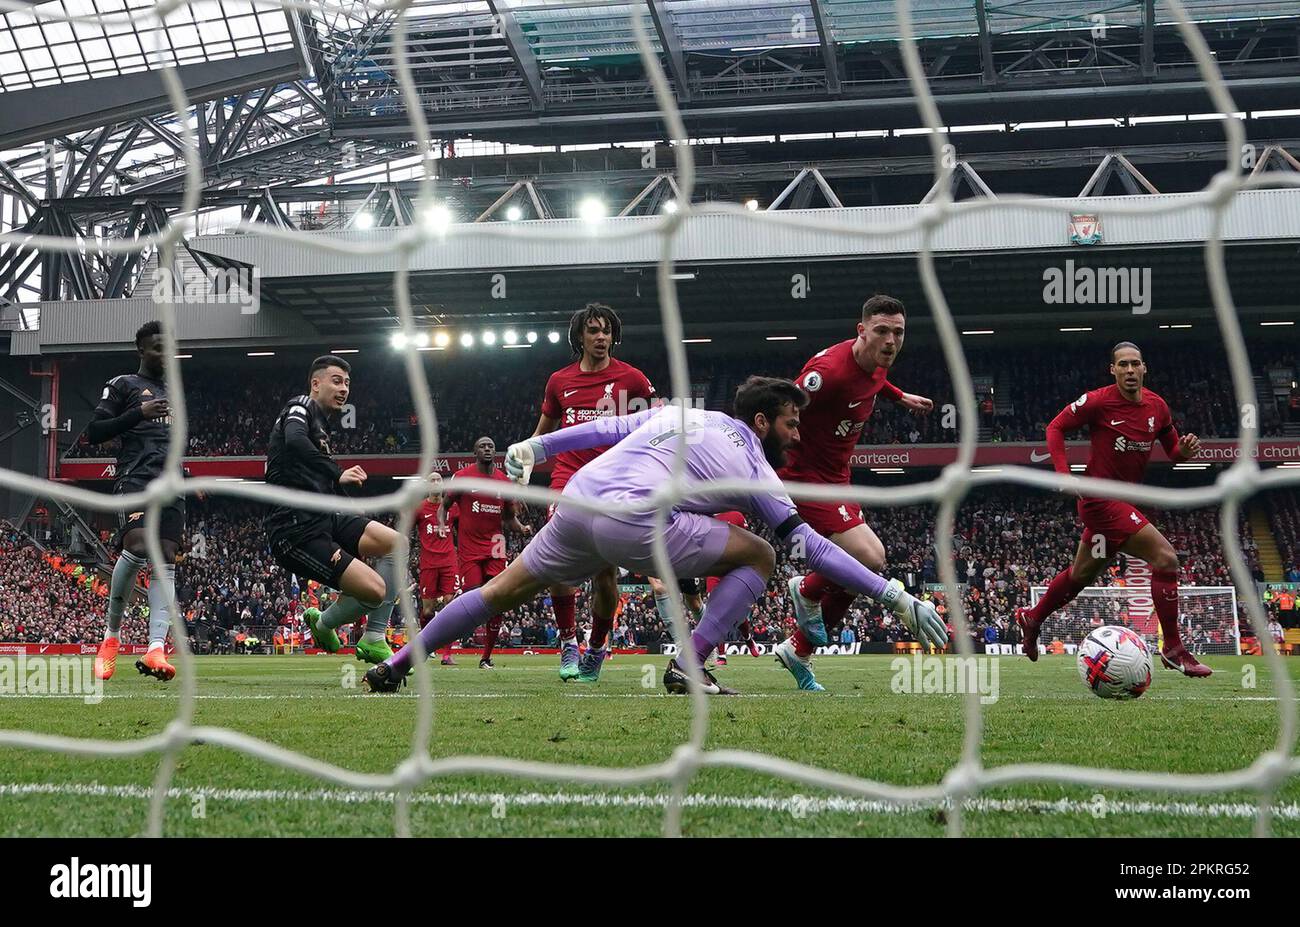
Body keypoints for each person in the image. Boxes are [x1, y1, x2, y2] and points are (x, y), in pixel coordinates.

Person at [365, 376, 947, 694]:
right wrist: (893, 594)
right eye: (792, 424)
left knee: (498, 595)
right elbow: (810, 547)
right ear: (762, 422)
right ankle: (689, 664)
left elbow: (609, 425)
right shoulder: (756, 465)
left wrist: (539, 446)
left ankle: (395, 667)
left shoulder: (678, 412)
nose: (796, 438)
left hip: (577, 501)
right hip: (633, 519)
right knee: (764, 555)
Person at [1015, 342, 1210, 677]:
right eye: (1123, 365)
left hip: (1123, 500)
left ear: (1144, 368)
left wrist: (1186, 451)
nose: (1130, 370)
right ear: (1113, 370)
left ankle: (1033, 618)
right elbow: (1055, 428)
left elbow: (1173, 452)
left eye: (1135, 364)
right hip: (1099, 499)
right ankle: (1174, 649)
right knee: (1166, 559)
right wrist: (1064, 473)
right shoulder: (1098, 401)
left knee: (1079, 577)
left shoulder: (1157, 407)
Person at [775, 295, 934, 690]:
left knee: (863, 565)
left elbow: (875, 381)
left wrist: (900, 397)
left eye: (898, 333)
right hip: (805, 476)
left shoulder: (877, 362)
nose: (891, 341)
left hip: (837, 475)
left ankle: (799, 650)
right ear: (860, 331)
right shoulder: (827, 373)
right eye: (881, 331)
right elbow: (784, 408)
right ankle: (807, 589)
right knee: (870, 557)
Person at [531, 303, 656, 679]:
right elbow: (544, 431)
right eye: (593, 331)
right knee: (557, 563)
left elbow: (656, 423)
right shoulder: (559, 381)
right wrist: (523, 455)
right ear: (580, 337)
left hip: (612, 482)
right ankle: (568, 644)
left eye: (606, 331)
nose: (600, 337)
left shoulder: (632, 379)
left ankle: (598, 647)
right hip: (566, 479)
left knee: (605, 577)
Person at [263, 355, 403, 665]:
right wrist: (336, 471)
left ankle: (374, 637)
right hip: (294, 529)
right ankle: (324, 622)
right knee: (374, 591)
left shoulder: (323, 426)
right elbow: (295, 441)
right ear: (316, 384)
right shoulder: (299, 406)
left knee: (395, 543)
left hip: (324, 517)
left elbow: (323, 481)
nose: (344, 389)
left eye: (348, 384)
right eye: (336, 381)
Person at [88, 320, 183, 683]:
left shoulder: (174, 392)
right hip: (135, 477)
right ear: (141, 350)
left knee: (167, 554)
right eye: (158, 347)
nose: (165, 354)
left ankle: (156, 648)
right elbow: (95, 432)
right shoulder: (123, 385)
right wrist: (138, 414)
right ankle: (111, 637)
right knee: (140, 545)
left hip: (173, 481)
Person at [441, 436, 531, 668]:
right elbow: (444, 506)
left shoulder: (503, 481)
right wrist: (443, 526)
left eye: (491, 446)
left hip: (495, 548)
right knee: (472, 598)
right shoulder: (461, 478)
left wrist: (521, 528)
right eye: (482, 446)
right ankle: (445, 649)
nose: (487, 449)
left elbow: (509, 518)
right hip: (469, 550)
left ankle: (486, 657)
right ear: (475, 452)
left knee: (498, 600)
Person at [415, 472, 458, 665]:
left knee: (451, 604)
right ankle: (425, 647)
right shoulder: (419, 509)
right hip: (428, 564)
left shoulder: (453, 508)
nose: (435, 482)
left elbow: (464, 528)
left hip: (449, 561)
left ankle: (447, 654)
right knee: (427, 611)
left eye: (438, 479)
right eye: (431, 480)